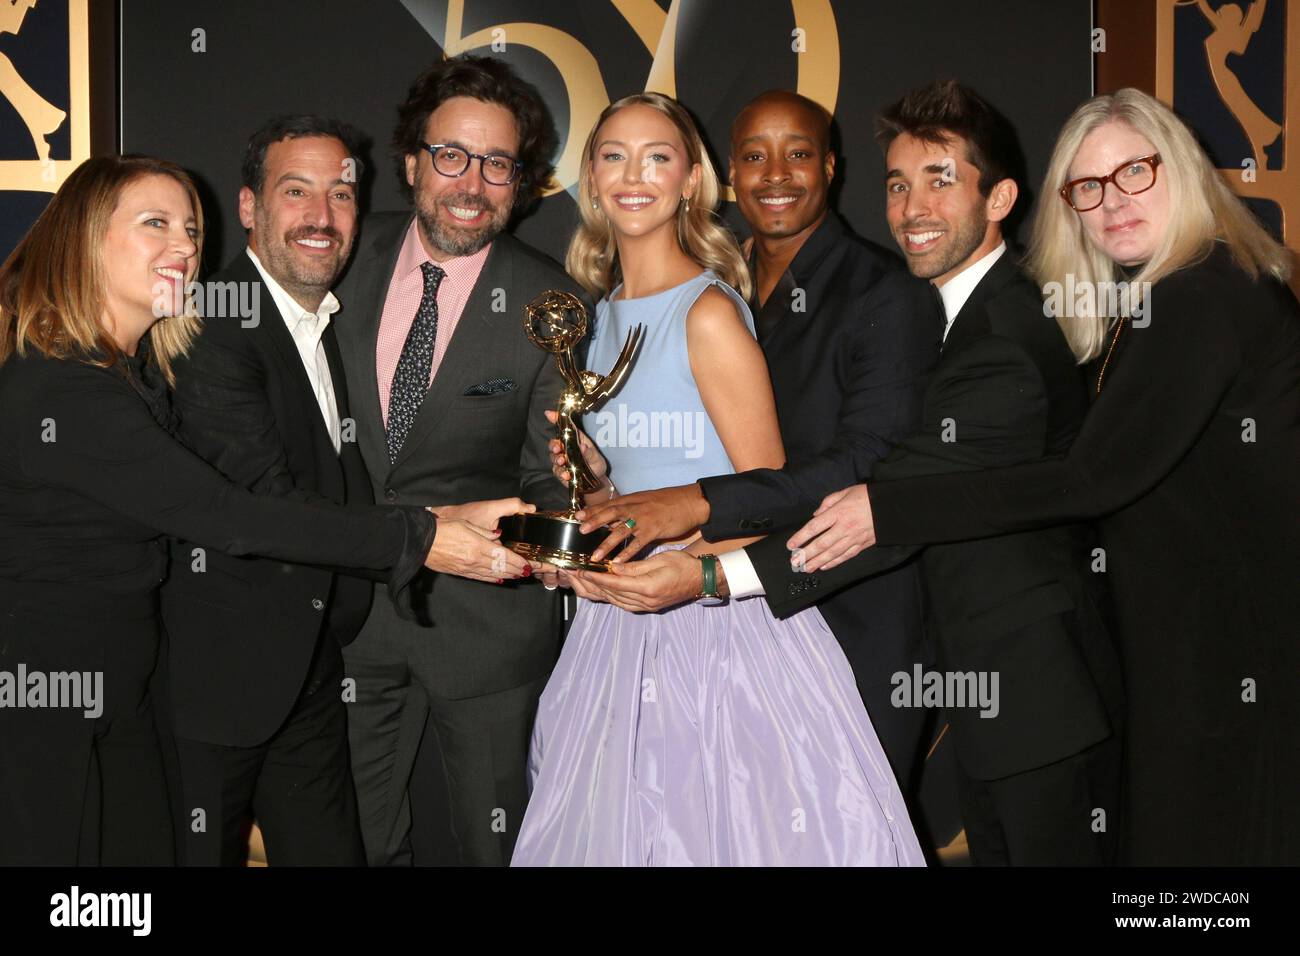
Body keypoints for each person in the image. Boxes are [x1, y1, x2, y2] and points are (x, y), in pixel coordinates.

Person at [565, 81, 1125, 866]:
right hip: (765, 605)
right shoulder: (720, 282)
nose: (914, 207)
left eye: (939, 181)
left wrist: (696, 535)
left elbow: (878, 485)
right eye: (900, 184)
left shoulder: (916, 305)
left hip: (878, 622)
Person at [784, 87, 1299, 866]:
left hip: (1232, 660)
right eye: (1087, 188)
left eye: (1135, 172)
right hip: (1185, 652)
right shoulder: (1154, 296)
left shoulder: (1203, 293)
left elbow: (1086, 479)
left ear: (1183, 167)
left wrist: (888, 510)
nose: (1110, 203)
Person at [0, 155, 530, 866]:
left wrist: (442, 514)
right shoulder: (66, 392)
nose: (184, 246)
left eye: (191, 227)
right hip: (48, 705)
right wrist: (422, 535)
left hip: (123, 690)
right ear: (84, 238)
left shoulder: (130, 377)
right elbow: (233, 515)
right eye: (154, 224)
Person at [512, 92, 923, 866]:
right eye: (613, 156)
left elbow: (769, 499)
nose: (634, 175)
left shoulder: (707, 312)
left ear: (692, 179)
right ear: (591, 180)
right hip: (616, 631)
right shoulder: (593, 322)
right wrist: (595, 489)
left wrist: (678, 566)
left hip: (719, 632)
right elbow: (624, 498)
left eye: (657, 156)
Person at [330, 54, 581, 866]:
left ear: (523, 181)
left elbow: (549, 478)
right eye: (451, 156)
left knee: (496, 846)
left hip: (488, 631)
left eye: (497, 163)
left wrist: (570, 512)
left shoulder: (553, 306)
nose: (471, 184)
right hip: (349, 618)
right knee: (358, 842)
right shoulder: (335, 264)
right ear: (411, 161)